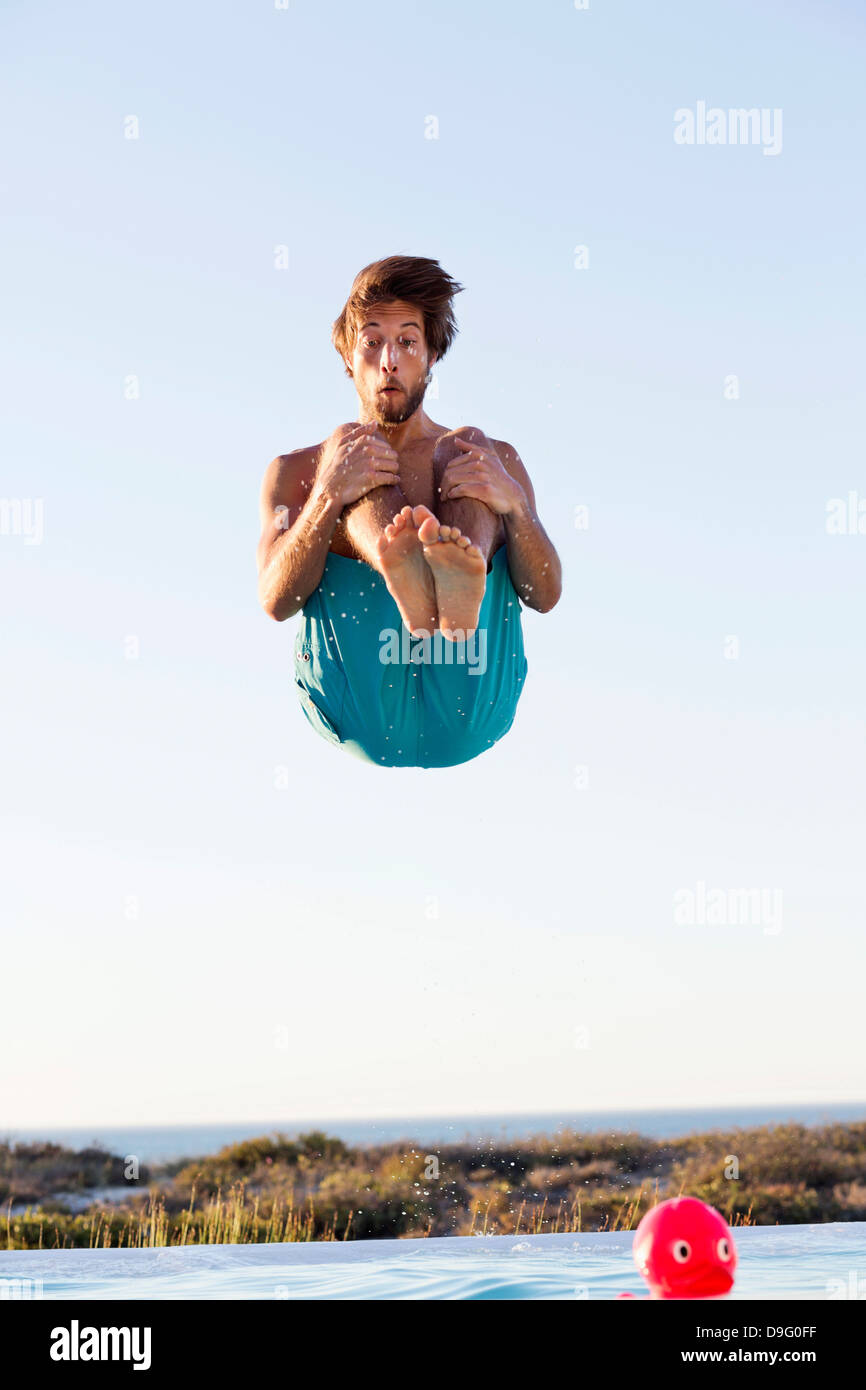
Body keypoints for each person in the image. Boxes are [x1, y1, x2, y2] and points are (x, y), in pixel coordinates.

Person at [256, 254, 561, 768]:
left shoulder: (494, 462)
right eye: (372, 342)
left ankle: (452, 595)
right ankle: (413, 576)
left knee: (470, 447)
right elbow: (275, 600)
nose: (389, 360)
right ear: (347, 356)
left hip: (469, 687)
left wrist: (514, 507)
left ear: (432, 356)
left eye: (407, 342)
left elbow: (545, 594)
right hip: (358, 697)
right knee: (350, 446)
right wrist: (328, 495)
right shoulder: (298, 472)